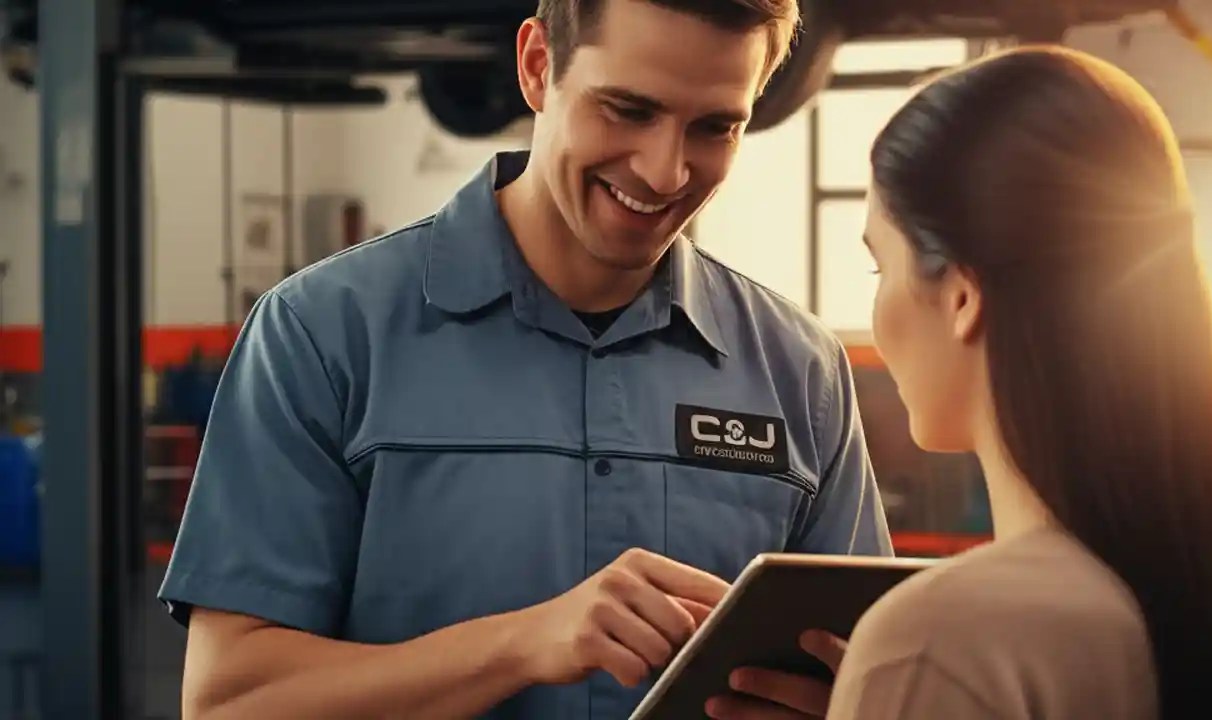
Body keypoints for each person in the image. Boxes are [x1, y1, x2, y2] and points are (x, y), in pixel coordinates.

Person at [159, 0, 892, 718]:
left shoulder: (800, 372)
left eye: (714, 128)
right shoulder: (321, 337)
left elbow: (878, 672)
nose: (666, 172)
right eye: (628, 110)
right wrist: (522, 644)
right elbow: (231, 701)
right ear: (539, 66)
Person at [825, 45, 1212, 720]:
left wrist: (901, 684)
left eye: (879, 268)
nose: (878, 309)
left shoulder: (940, 638)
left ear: (960, 296)